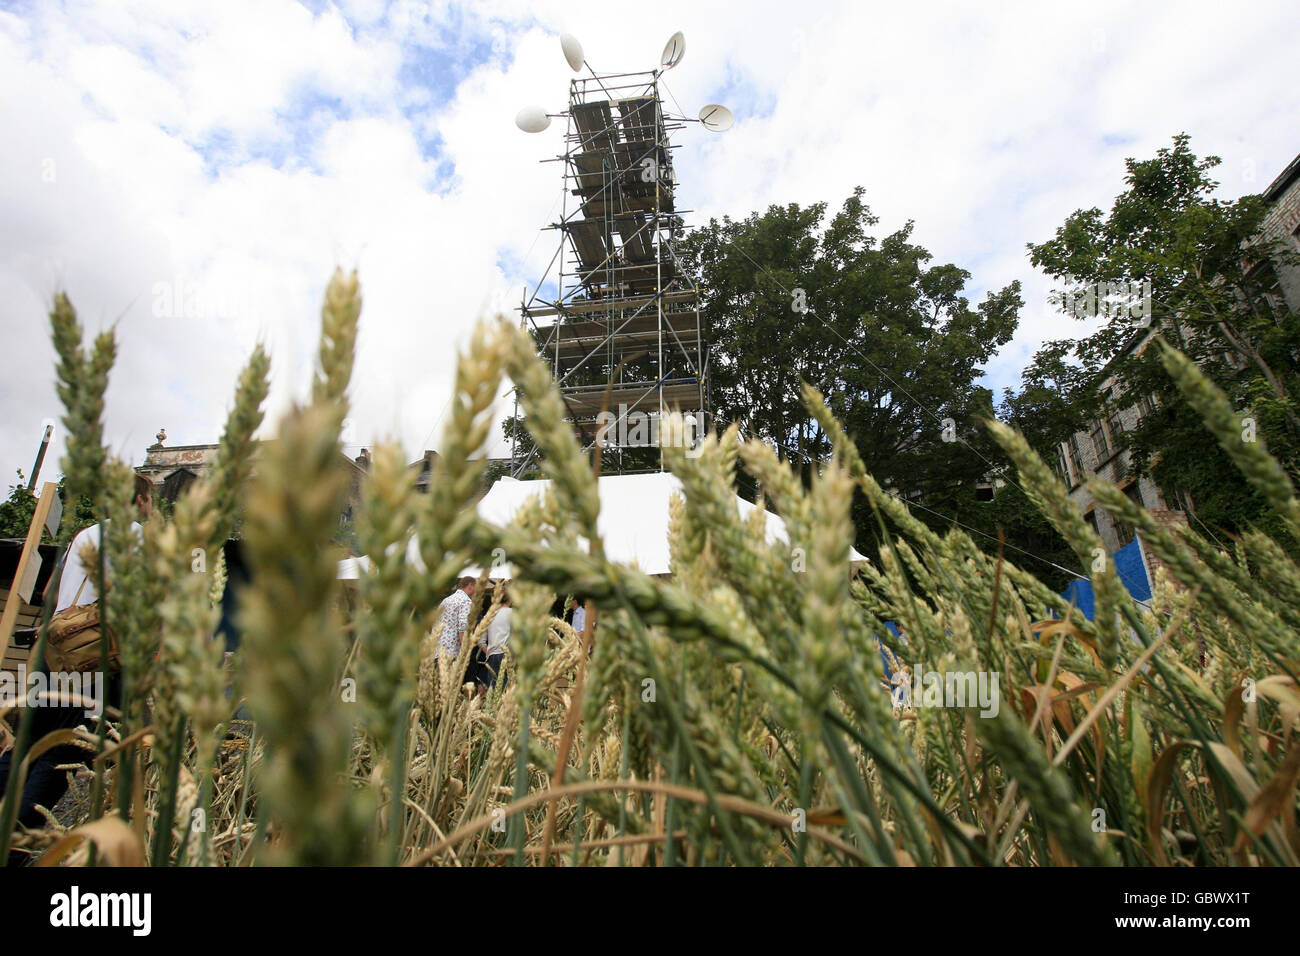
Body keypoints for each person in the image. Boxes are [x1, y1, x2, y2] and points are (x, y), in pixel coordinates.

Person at [0, 473, 151, 862]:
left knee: (26, 749)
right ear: (138, 501)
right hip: (93, 666)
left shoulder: (83, 536)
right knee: (61, 755)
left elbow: (51, 593)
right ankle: (14, 847)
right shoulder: (136, 538)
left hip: (55, 658)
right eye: (150, 501)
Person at [469, 587, 510, 695]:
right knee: (509, 692)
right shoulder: (513, 614)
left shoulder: (489, 616)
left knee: (493, 694)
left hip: (491, 657)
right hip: (509, 656)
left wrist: (488, 651)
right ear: (510, 600)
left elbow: (480, 640)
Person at [433, 576, 475, 662]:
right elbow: (463, 627)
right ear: (470, 586)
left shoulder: (446, 600)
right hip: (452, 653)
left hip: (438, 651)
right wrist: (465, 653)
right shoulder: (466, 601)